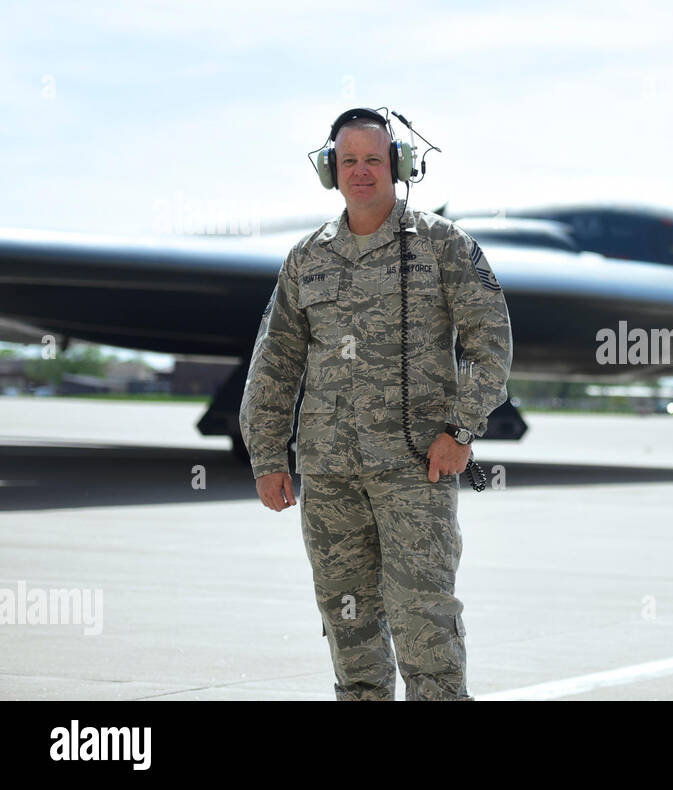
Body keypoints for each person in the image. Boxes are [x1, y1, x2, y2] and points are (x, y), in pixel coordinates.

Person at [238, 108, 512, 701]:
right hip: (329, 473)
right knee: (347, 619)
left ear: (400, 166)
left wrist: (461, 430)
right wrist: (267, 456)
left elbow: (491, 343)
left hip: (416, 468)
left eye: (374, 159)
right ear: (329, 170)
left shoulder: (444, 247)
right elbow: (275, 362)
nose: (360, 171)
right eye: (348, 160)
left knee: (424, 619)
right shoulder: (306, 258)